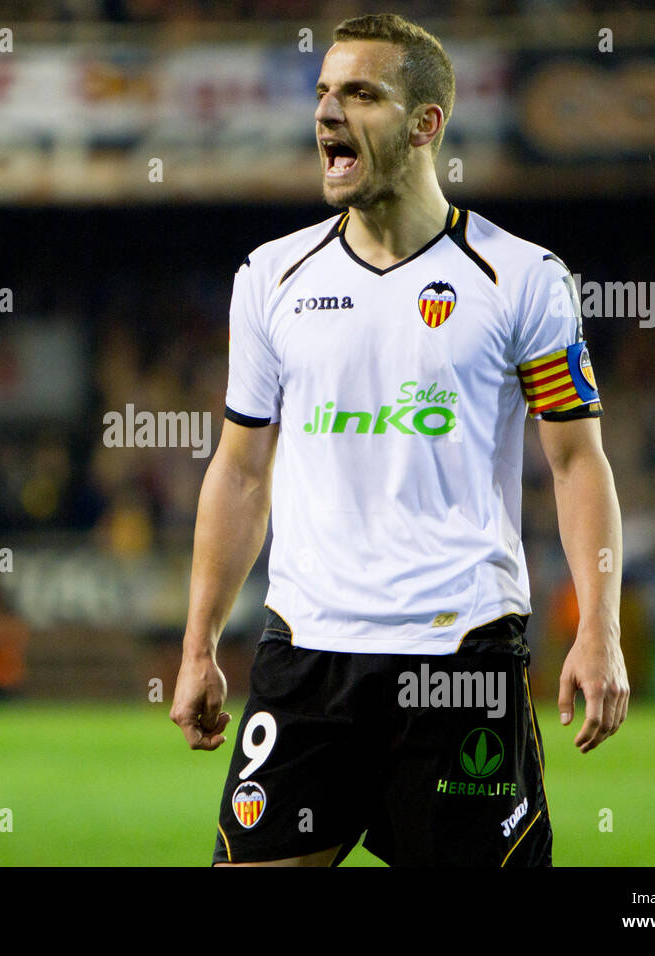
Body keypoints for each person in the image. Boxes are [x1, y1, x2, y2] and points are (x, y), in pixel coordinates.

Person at [169, 14, 628, 866]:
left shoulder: (522, 278)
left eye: (360, 94)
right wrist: (199, 645)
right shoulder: (271, 277)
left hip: (458, 651)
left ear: (426, 125)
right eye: (323, 94)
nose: (328, 115)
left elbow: (575, 462)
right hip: (307, 654)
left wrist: (596, 626)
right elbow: (238, 472)